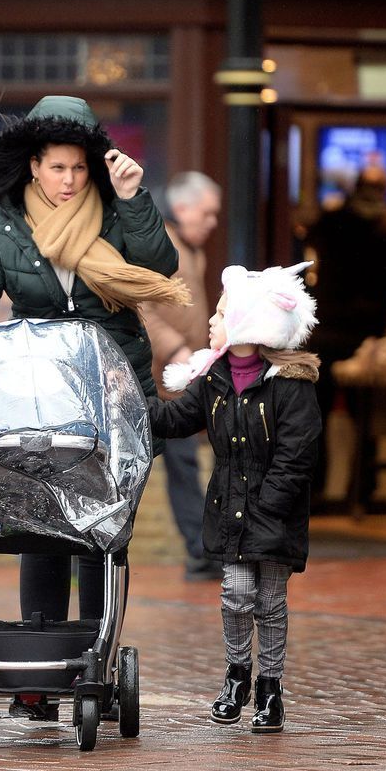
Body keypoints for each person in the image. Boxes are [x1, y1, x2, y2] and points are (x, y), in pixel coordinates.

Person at [0, 95, 188, 718]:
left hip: (112, 398)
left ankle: (95, 668)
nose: (69, 181)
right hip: (33, 399)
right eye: (57, 168)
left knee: (101, 531)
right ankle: (36, 677)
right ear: (33, 166)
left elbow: (159, 267)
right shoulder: (2, 224)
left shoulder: (114, 211)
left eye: (79, 168)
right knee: (38, 529)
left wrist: (135, 199)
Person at [149, 261, 321, 733]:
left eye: (221, 312)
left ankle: (270, 690)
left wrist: (270, 506)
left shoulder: (291, 384)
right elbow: (175, 418)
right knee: (235, 593)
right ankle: (236, 675)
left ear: (247, 323)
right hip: (230, 510)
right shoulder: (214, 378)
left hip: (274, 514)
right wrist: (126, 404)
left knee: (269, 600)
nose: (211, 320)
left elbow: (297, 455)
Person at [303, 167, 386, 505]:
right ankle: (362, 488)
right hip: (369, 336)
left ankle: (317, 489)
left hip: (327, 330)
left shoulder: (332, 220)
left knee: (315, 412)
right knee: (366, 412)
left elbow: (305, 242)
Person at [142, 172, 223, 580]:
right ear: (183, 207)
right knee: (179, 464)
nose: (212, 222)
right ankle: (200, 549)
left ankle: (201, 548)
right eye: (207, 213)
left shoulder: (191, 249)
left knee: (186, 464)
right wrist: (173, 346)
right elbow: (140, 304)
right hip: (158, 382)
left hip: (180, 380)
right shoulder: (162, 246)